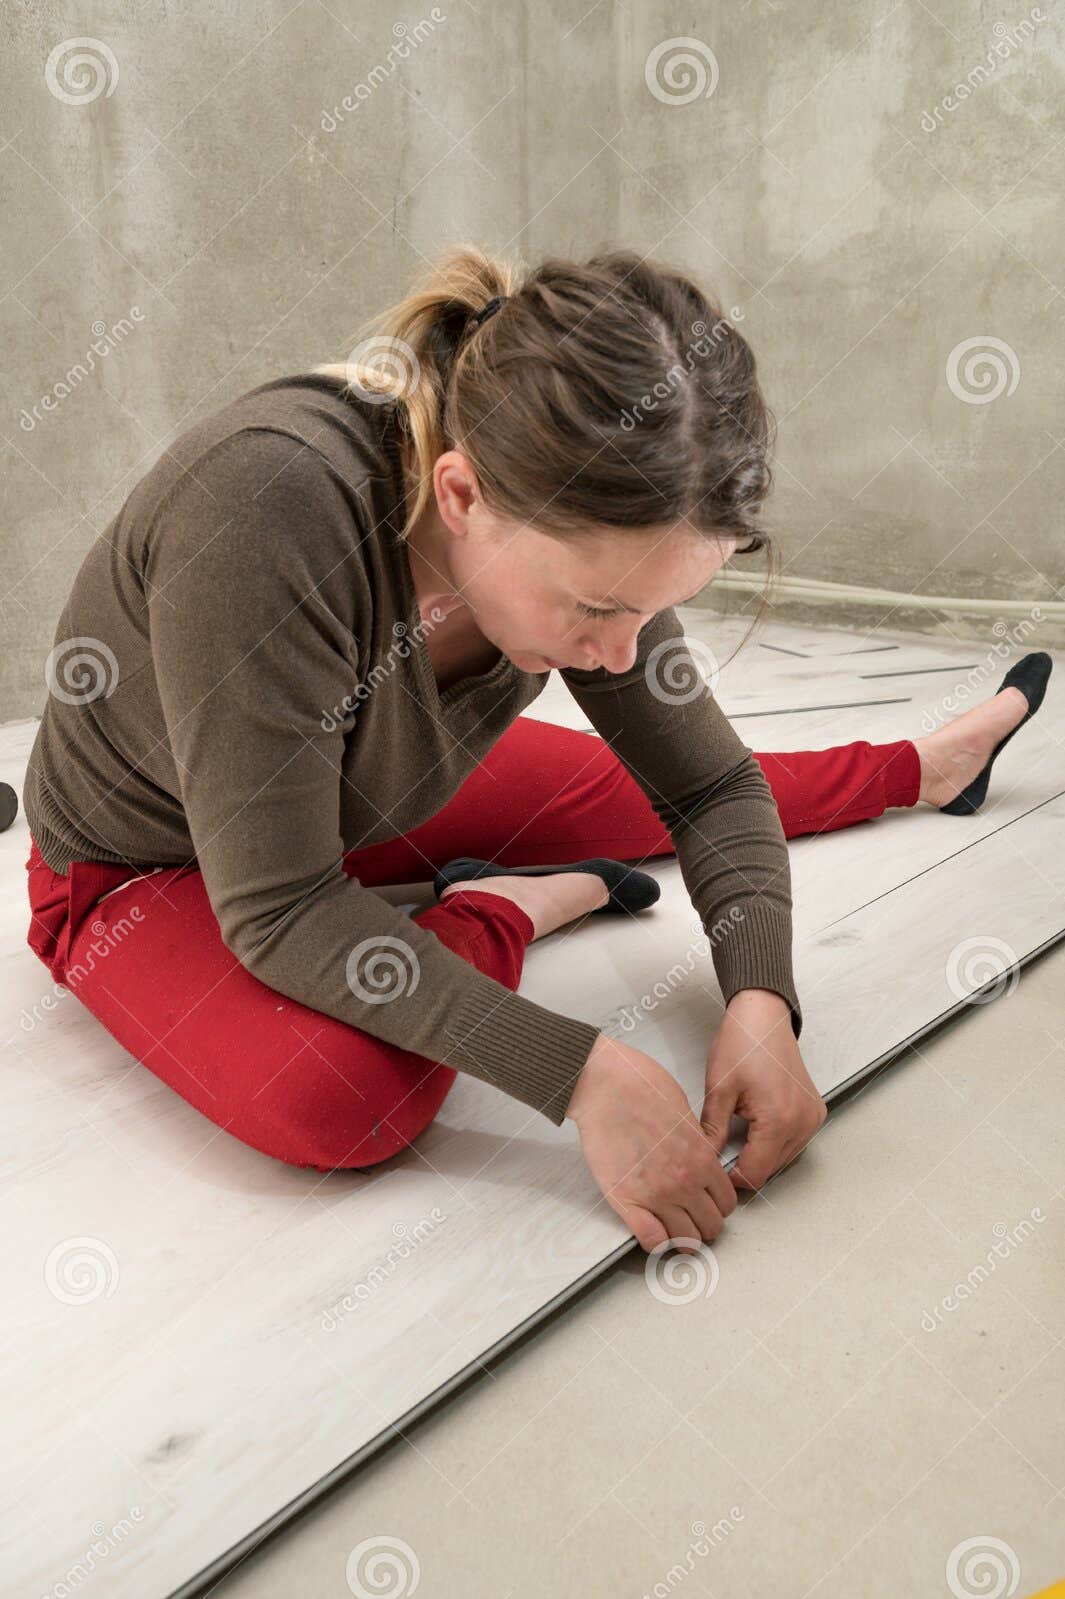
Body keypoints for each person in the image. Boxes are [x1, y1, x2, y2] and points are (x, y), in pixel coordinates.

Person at [22, 244, 1052, 1258]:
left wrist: (761, 1000)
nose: (617, 651)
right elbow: (282, 910)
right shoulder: (265, 509)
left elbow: (707, 783)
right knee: (342, 1102)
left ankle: (925, 768)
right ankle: (510, 904)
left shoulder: (573, 525)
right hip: (148, 865)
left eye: (652, 610)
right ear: (462, 497)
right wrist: (581, 1072)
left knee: (636, 789)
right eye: (598, 608)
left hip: (354, 799)